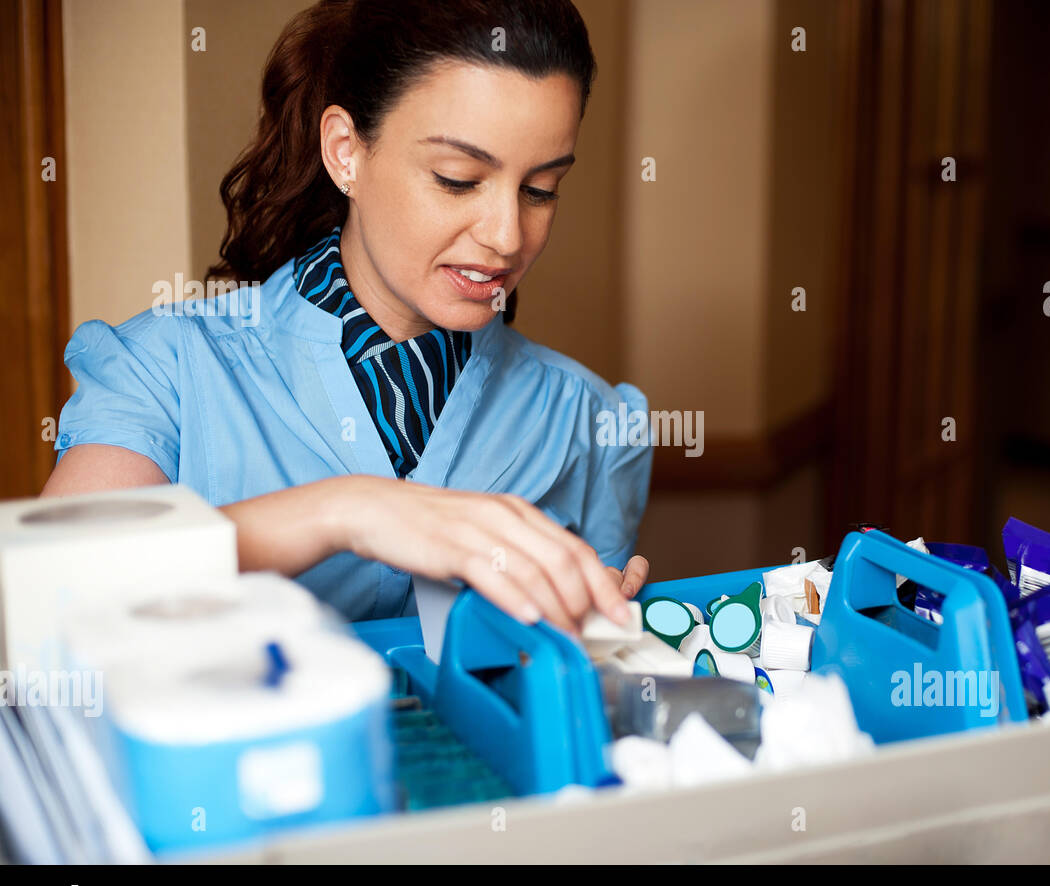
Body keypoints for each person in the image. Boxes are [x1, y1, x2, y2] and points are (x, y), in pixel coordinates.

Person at [42, 0, 651, 635]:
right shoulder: (162, 371)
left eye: (540, 190)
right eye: (458, 178)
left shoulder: (591, 423)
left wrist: (590, 630)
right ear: (345, 153)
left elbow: (578, 700)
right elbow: (53, 596)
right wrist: (349, 512)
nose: (505, 236)